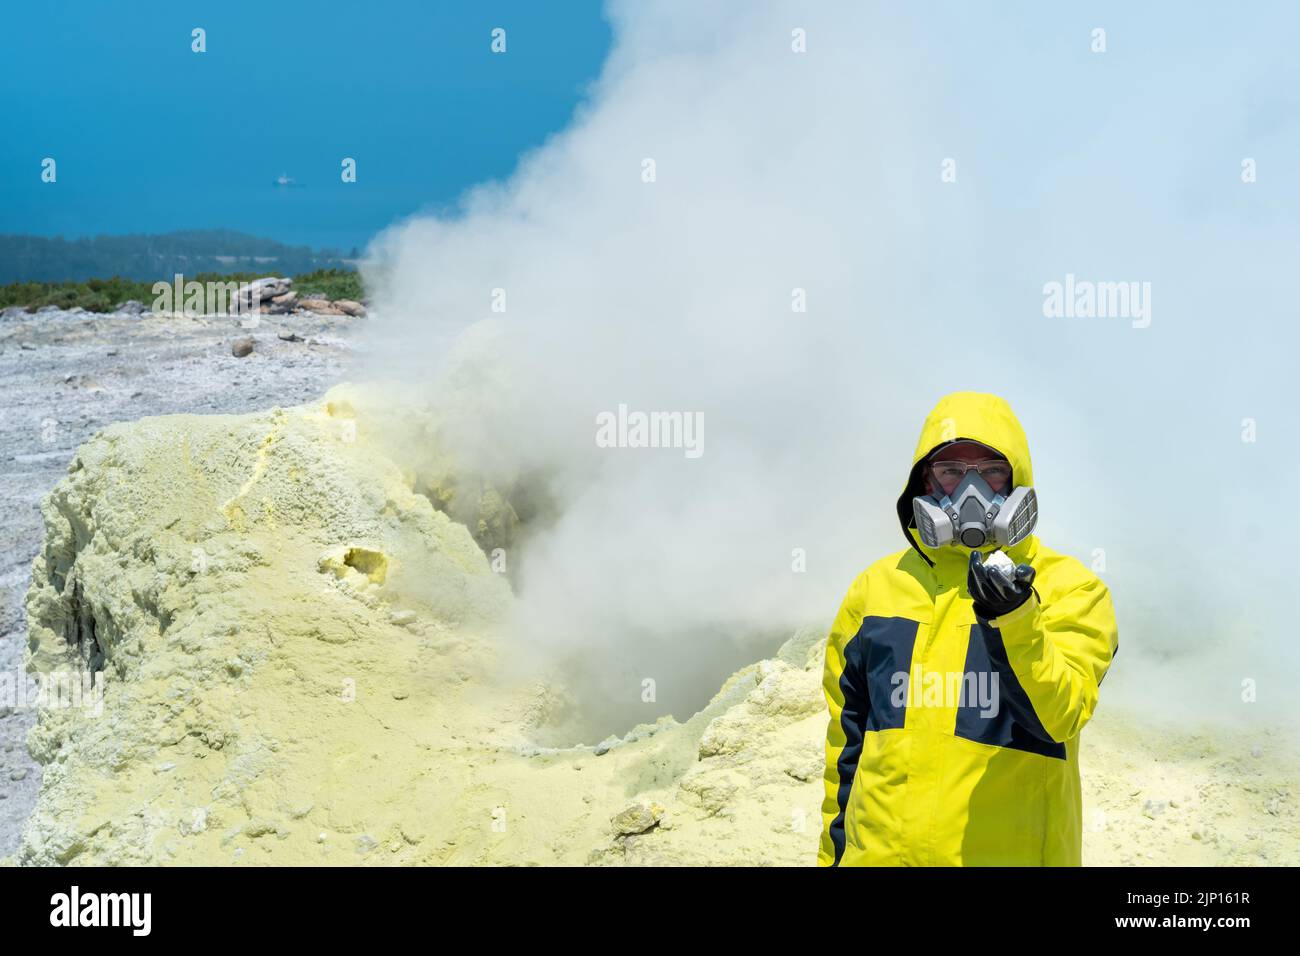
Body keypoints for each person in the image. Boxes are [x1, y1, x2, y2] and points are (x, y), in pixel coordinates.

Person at [817, 391, 1119, 866]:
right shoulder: (875, 590)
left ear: (1017, 480)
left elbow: (1057, 718)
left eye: (991, 470)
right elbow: (845, 747)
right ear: (925, 482)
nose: (971, 492)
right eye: (952, 471)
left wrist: (1016, 620)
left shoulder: (1071, 590)